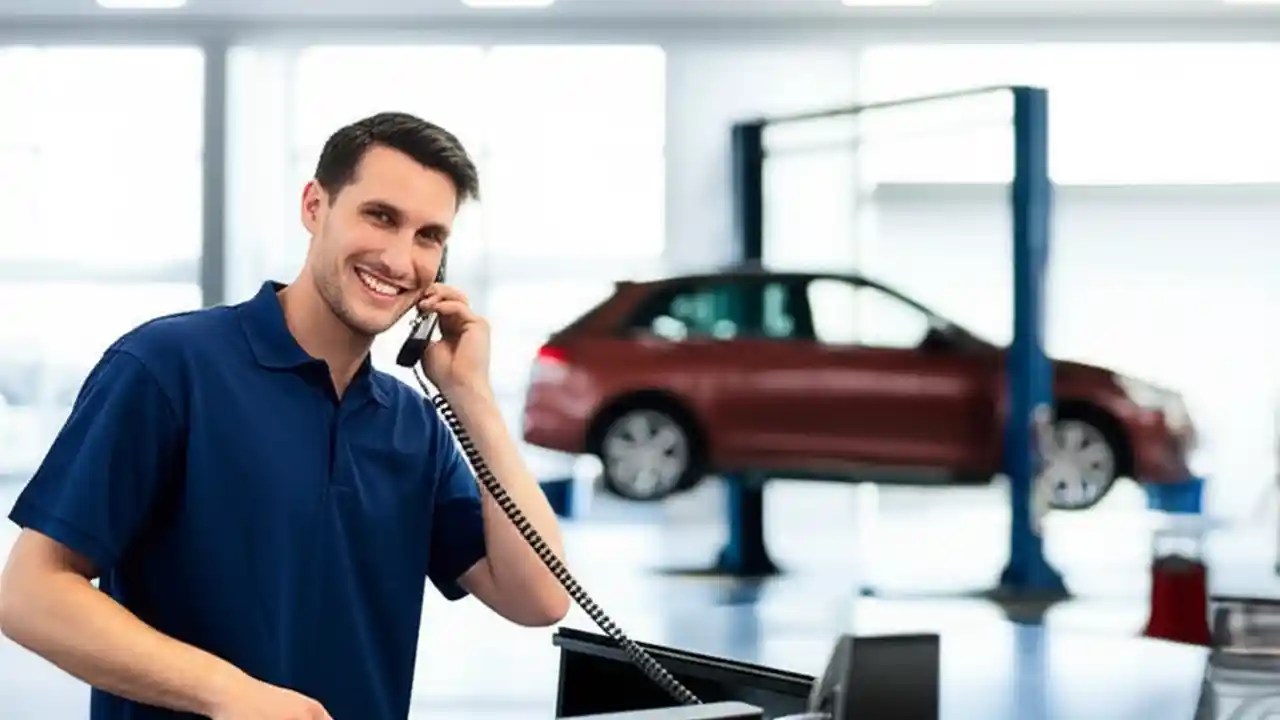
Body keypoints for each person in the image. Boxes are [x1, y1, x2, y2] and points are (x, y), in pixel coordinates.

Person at [0, 111, 570, 720]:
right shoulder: (169, 366)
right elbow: (31, 594)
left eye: (429, 236)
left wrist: (471, 395)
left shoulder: (415, 426)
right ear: (315, 206)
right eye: (380, 216)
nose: (401, 260)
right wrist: (228, 693)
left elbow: (538, 598)